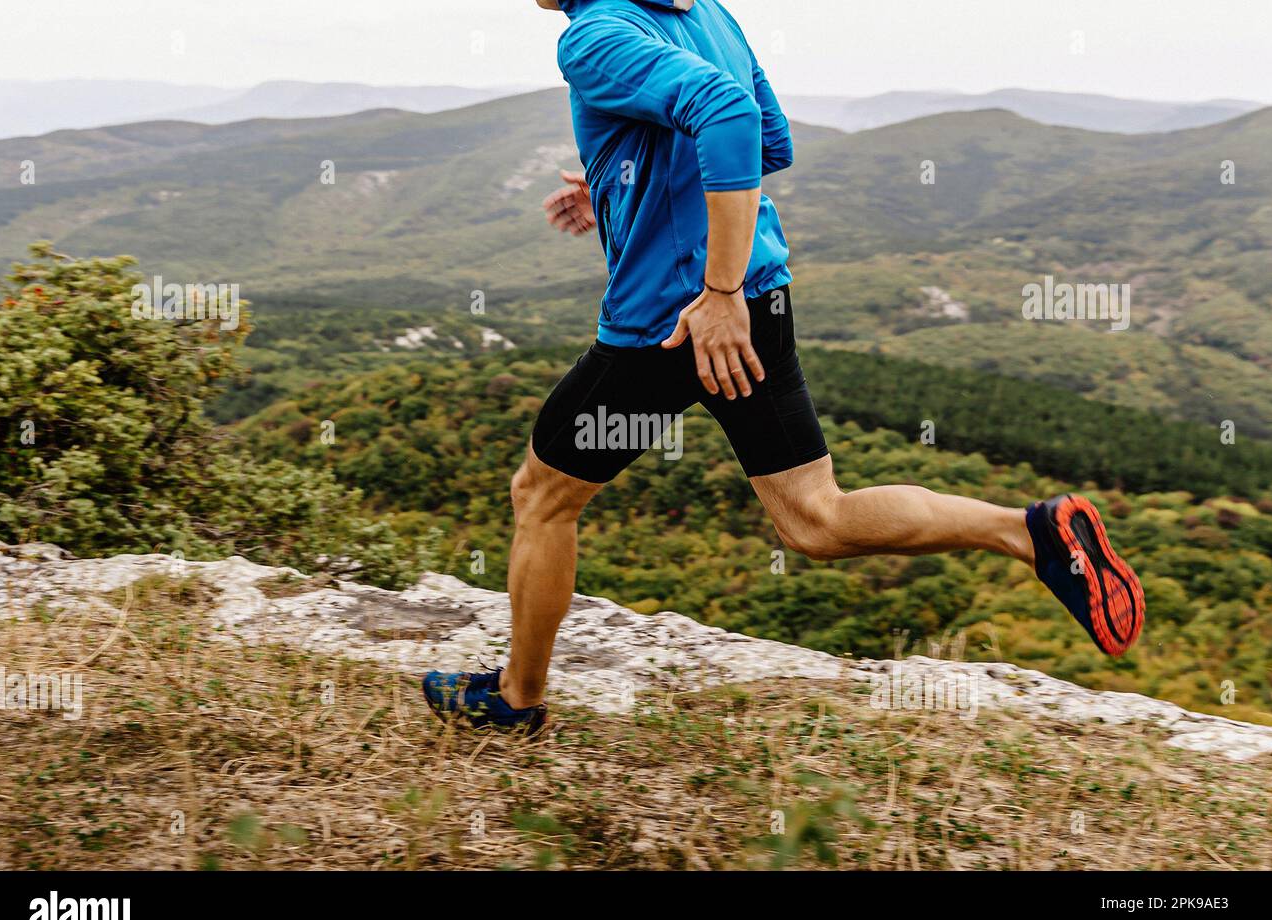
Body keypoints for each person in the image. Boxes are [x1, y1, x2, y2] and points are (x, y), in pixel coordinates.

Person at [423, 0, 1145, 734]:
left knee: (542, 497)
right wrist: (629, 179)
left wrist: (716, 293)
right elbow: (771, 140)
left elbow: (729, 114)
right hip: (762, 303)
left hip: (672, 329)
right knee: (816, 518)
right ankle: (1031, 532)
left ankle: (516, 698)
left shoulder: (594, 32)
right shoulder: (708, 14)